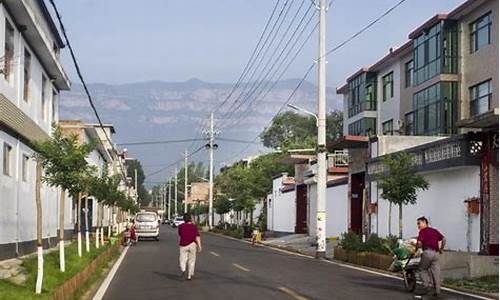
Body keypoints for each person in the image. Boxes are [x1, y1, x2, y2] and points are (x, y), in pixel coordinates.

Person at [415, 216, 446, 297]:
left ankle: (426, 286)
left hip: (427, 252)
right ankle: (437, 291)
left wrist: (417, 248)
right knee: (436, 272)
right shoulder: (434, 230)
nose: (418, 225)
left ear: (425, 223)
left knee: (422, 269)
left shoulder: (423, 231)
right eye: (417, 224)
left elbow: (419, 243)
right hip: (436, 254)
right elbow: (444, 239)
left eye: (419, 223)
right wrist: (441, 249)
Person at [178, 214, 202, 280]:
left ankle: (183, 270)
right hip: (192, 244)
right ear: (190, 219)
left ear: (184, 219)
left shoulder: (181, 226)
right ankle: (189, 276)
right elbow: (197, 236)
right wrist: (199, 246)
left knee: (182, 259)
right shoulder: (194, 227)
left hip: (183, 245)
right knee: (191, 260)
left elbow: (180, 234)